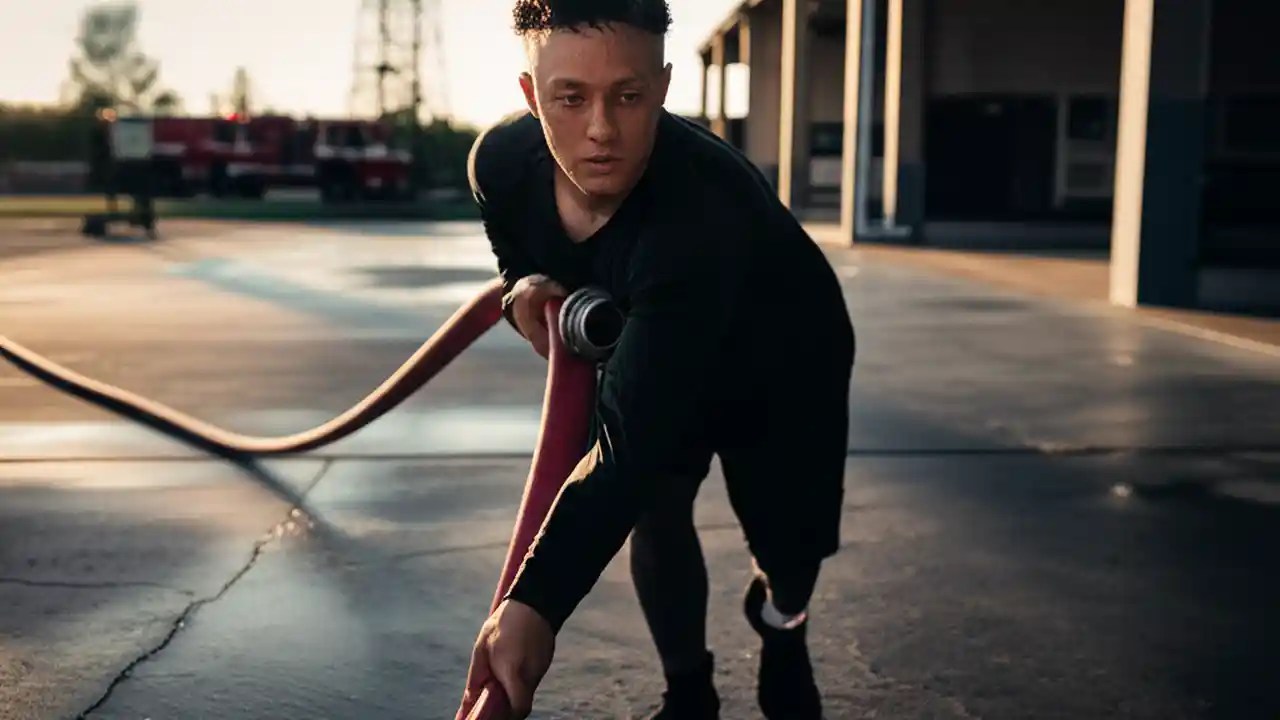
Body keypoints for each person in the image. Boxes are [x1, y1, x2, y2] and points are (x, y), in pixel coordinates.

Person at [456, 1, 855, 718]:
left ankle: (783, 629)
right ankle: (689, 693)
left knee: (790, 554)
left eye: (628, 96)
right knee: (654, 508)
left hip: (786, 362)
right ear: (528, 95)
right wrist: (522, 283)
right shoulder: (501, 165)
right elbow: (514, 244)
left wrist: (534, 604)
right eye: (570, 98)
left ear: (664, 87)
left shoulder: (700, 208)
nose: (601, 129)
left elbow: (627, 446)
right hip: (656, 342)